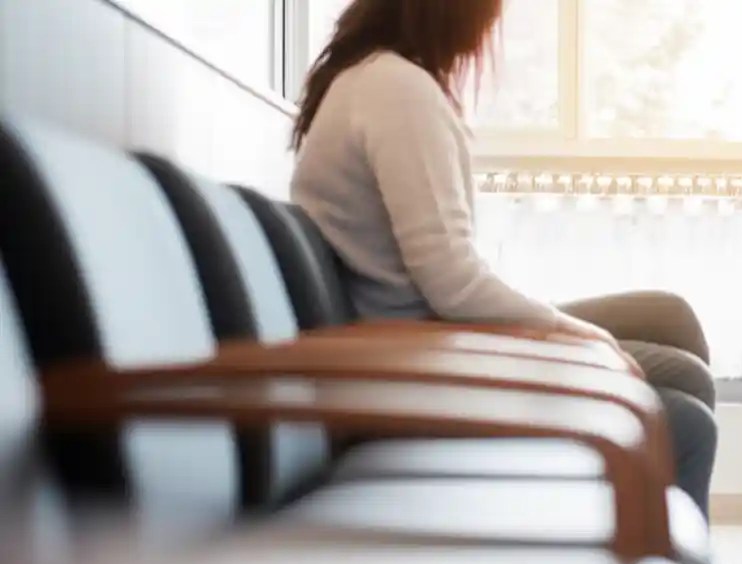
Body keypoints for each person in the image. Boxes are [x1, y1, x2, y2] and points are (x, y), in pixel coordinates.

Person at [287, 0, 717, 514]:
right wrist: (581, 336)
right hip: (425, 355)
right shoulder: (395, 90)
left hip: (435, 338)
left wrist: (560, 331)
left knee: (669, 320)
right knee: (687, 420)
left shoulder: (378, 80)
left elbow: (445, 275)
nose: (494, 25)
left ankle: (634, 533)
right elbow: (454, 283)